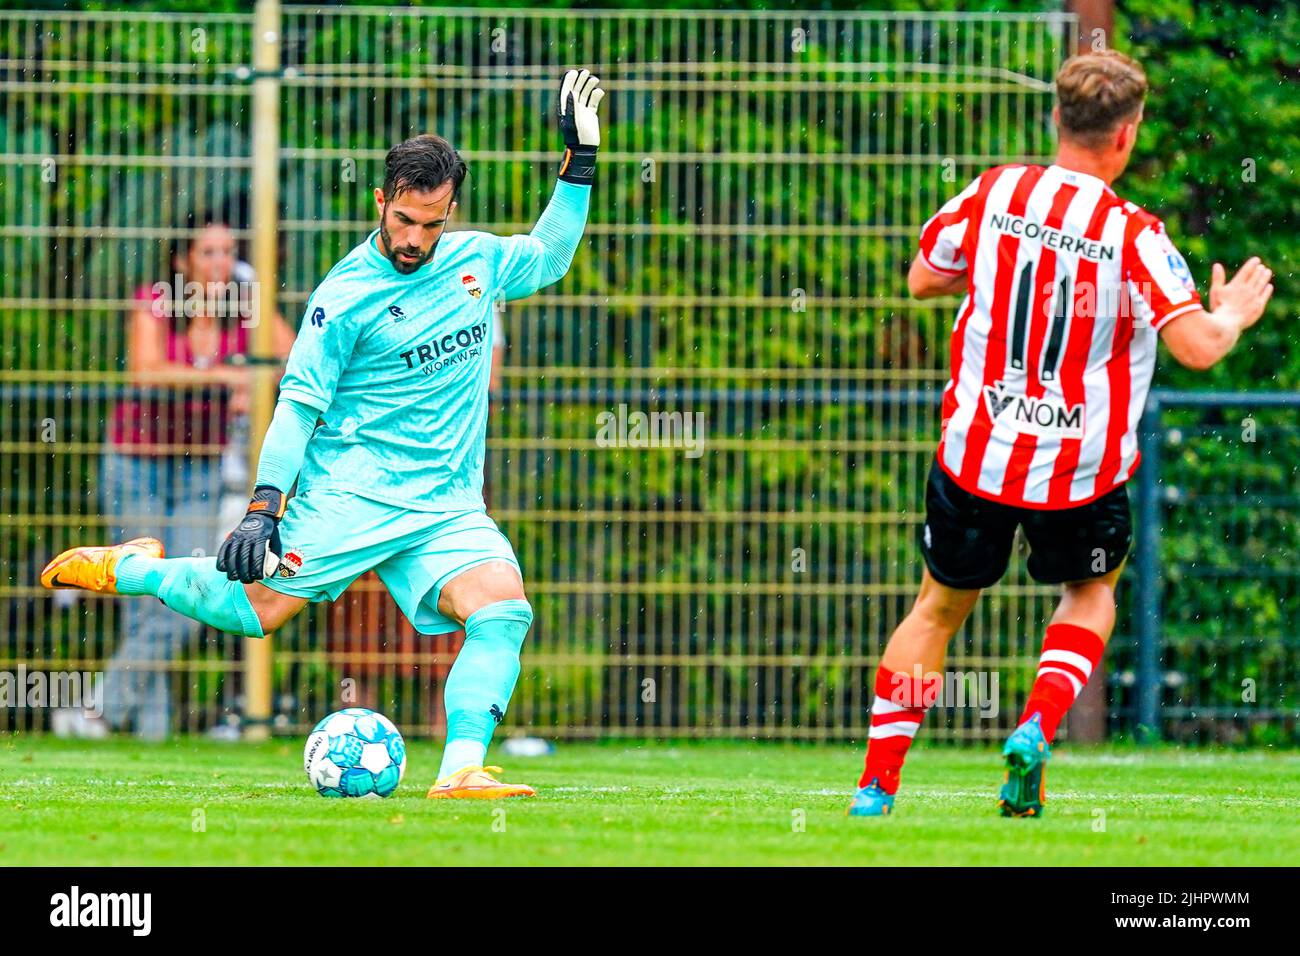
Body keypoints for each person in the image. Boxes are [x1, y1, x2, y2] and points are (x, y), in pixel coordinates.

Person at [43, 69, 604, 798]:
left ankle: (461, 767)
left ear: (450, 211)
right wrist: (264, 507)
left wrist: (579, 166)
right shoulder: (345, 297)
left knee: (502, 610)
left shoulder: (477, 263)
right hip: (353, 494)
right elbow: (297, 404)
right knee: (256, 611)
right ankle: (135, 568)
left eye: (432, 224)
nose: (415, 239)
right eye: (404, 220)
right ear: (381, 201)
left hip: (447, 505)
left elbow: (552, 255)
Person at [847, 49, 1273, 818]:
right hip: (1081, 469)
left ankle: (876, 790)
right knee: (1088, 593)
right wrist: (1234, 314)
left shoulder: (994, 192)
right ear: (1127, 135)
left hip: (977, 456)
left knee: (937, 610)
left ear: (1056, 119)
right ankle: (1038, 727)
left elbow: (921, 277)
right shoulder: (1133, 236)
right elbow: (1197, 347)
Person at [96, 215, 293, 739]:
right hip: (136, 463)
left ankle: (102, 712)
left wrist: (257, 374)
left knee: (181, 596)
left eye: (229, 252)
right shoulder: (157, 301)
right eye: (208, 253)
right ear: (183, 261)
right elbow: (147, 370)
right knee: (143, 593)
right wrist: (233, 374)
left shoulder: (242, 308)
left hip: (200, 465)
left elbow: (293, 358)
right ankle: (148, 733)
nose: (220, 263)